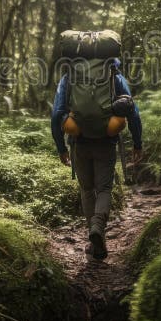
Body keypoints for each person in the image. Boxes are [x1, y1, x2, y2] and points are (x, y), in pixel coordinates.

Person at [50, 58, 143, 260]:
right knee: (104, 189)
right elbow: (132, 111)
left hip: (79, 142)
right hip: (106, 142)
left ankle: (93, 237)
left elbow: (57, 114)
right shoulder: (113, 76)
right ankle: (98, 227)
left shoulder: (69, 77)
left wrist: (61, 147)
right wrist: (137, 143)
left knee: (87, 189)